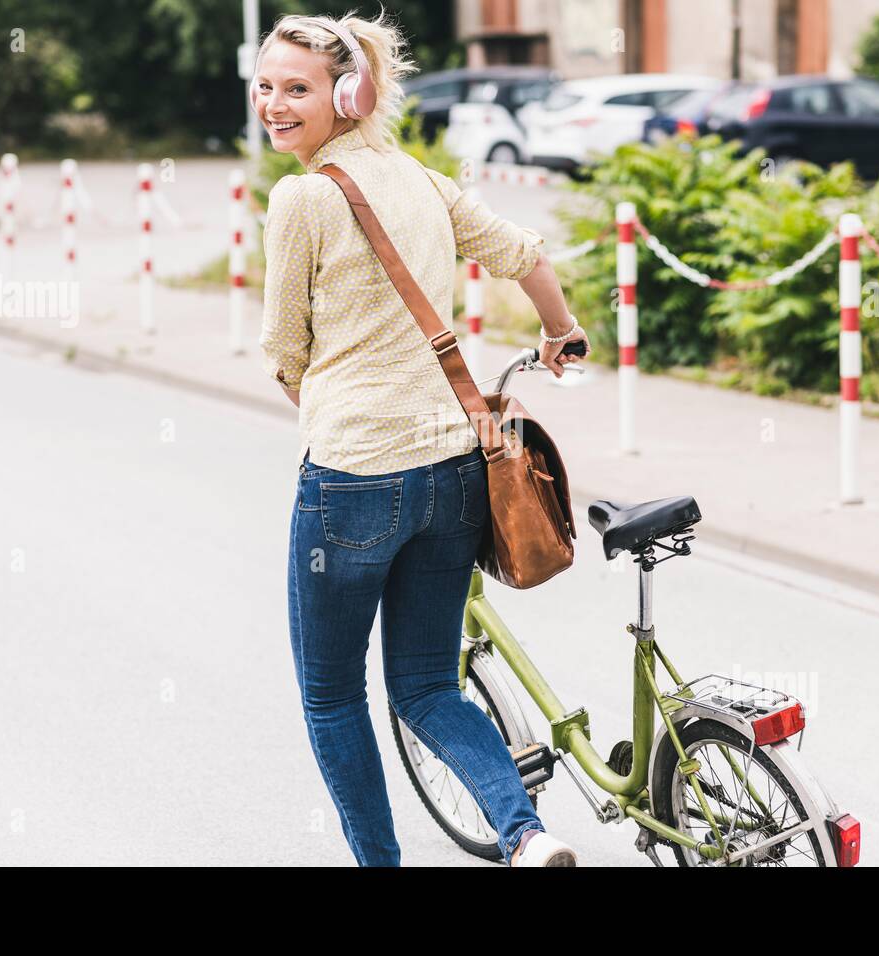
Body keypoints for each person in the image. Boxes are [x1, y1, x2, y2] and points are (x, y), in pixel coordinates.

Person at [254, 8, 591, 867]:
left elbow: (282, 352)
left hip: (353, 479)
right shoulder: (420, 180)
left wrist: (326, 405)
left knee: (332, 696)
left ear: (347, 94)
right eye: (265, 86)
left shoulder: (299, 198)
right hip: (452, 472)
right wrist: (560, 336)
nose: (275, 104)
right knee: (429, 686)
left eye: (297, 88)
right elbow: (525, 253)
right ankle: (526, 835)